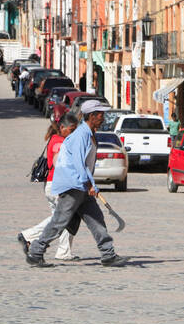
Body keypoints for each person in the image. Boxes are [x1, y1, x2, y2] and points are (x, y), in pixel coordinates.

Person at [26, 98, 126, 267]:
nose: (104, 118)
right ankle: (36, 252)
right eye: (101, 115)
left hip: (81, 185)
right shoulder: (82, 135)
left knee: (96, 219)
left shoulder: (90, 133)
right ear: (92, 116)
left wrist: (89, 184)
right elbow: (79, 163)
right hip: (73, 184)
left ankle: (108, 254)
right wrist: (89, 184)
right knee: (59, 221)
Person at [18, 113, 79, 261]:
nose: (73, 133)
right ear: (62, 127)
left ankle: (62, 251)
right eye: (72, 129)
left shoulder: (55, 139)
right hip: (57, 185)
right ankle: (29, 235)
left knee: (59, 218)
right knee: (64, 218)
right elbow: (61, 164)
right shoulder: (59, 142)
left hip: (52, 185)